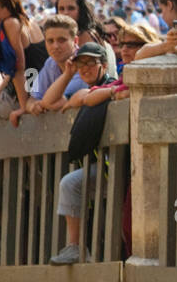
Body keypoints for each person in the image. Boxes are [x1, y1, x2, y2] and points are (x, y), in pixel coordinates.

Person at [48, 43, 128, 265]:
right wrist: (68, 74)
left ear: (103, 65)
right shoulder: (83, 86)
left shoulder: (112, 83)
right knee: (70, 184)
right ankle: (74, 247)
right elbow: (49, 102)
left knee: (125, 223)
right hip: (105, 168)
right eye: (80, 63)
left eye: (90, 63)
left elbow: (88, 97)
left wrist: (88, 95)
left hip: (127, 168)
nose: (84, 68)